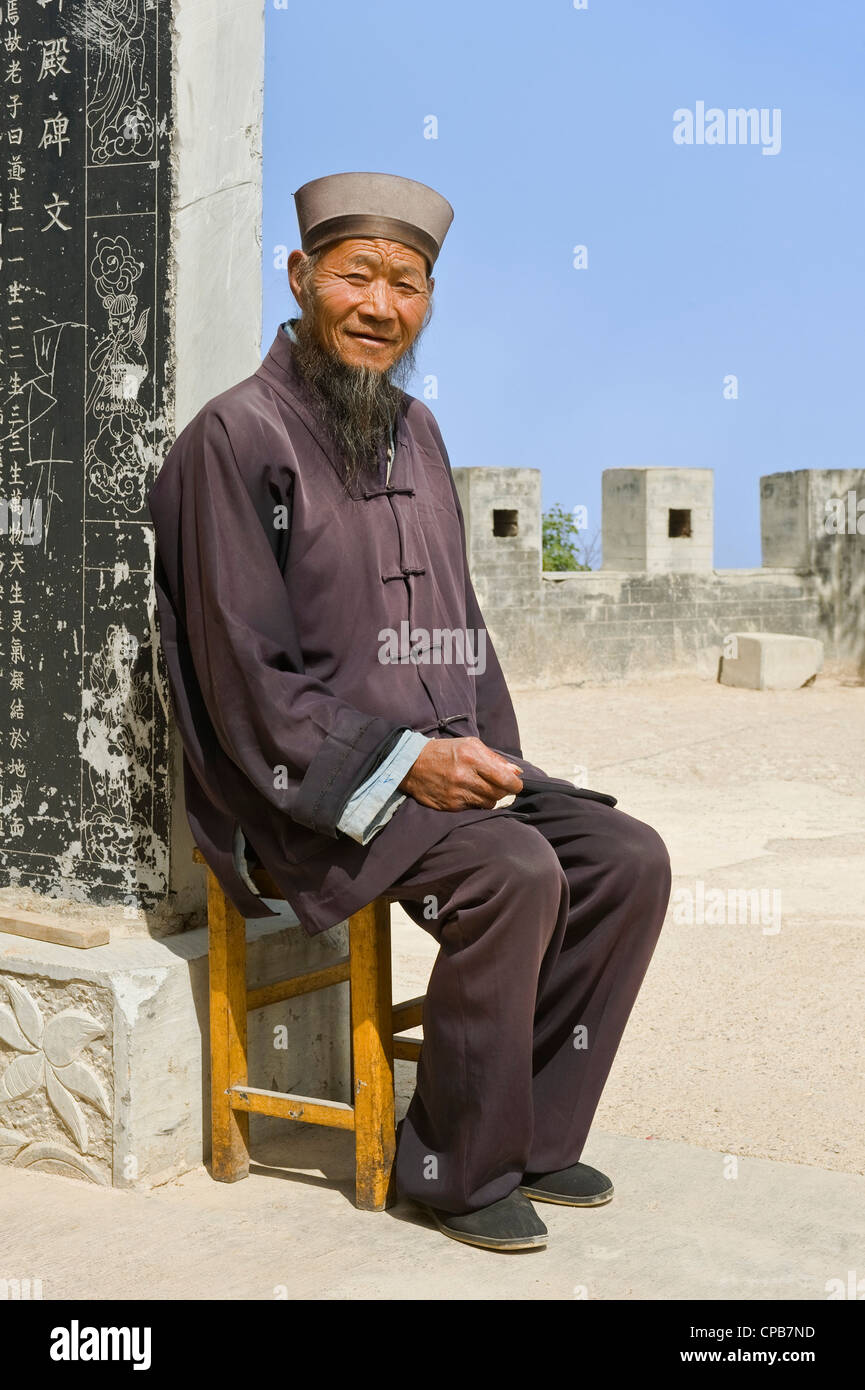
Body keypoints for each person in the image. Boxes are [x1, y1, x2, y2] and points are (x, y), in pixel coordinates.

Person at [148, 171, 671, 1252]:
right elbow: (247, 676)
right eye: (356, 276)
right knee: (513, 873)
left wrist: (494, 764)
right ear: (301, 279)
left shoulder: (417, 431)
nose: (381, 306)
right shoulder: (235, 440)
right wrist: (402, 768)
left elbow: (461, 627)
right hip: (307, 792)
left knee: (627, 857)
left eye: (408, 283)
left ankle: (520, 1129)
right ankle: (445, 1166)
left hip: (441, 773)